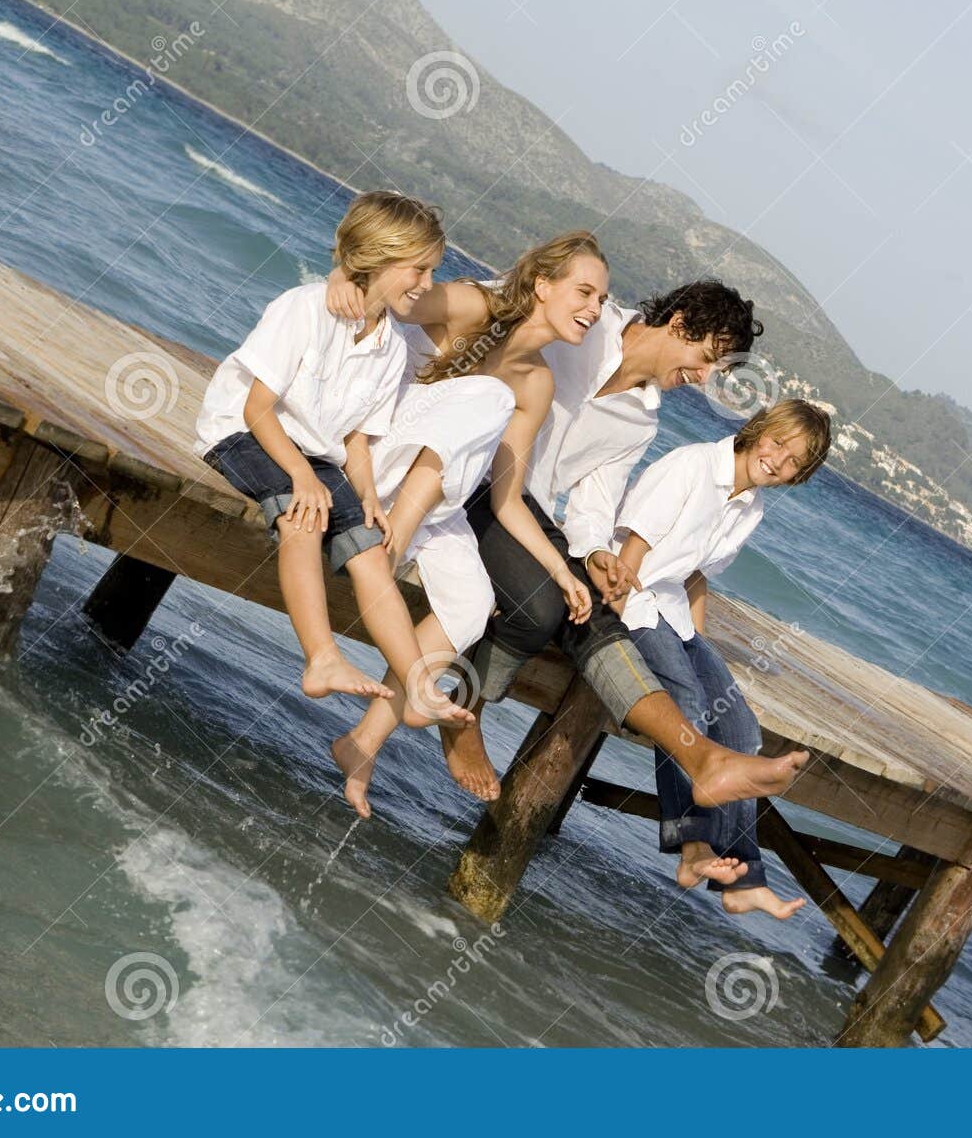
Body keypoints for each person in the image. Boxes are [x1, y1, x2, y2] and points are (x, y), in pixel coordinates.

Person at [437, 278, 809, 806]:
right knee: (541, 607)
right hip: (464, 476)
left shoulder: (642, 419)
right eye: (703, 359)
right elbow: (501, 298)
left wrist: (598, 554)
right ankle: (464, 712)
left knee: (594, 613)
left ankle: (699, 754)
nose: (703, 379)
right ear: (679, 323)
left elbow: (594, 502)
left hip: (527, 513)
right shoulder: (587, 325)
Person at [324, 232, 609, 818]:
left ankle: (360, 745)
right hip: (381, 464)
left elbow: (505, 500)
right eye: (584, 292)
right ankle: (391, 538)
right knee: (488, 398)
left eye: (602, 301)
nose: (594, 309)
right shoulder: (475, 308)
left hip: (440, 502)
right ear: (542, 285)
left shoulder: (538, 382)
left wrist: (562, 570)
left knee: (473, 606)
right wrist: (342, 279)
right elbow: (395, 298)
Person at [194, 190, 471, 729]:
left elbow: (357, 441)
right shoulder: (303, 309)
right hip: (244, 433)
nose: (427, 284)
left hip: (317, 451)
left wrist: (367, 495)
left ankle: (416, 684)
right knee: (304, 516)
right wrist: (300, 475)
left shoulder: (392, 346)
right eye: (418, 269)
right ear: (379, 258)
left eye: (432, 271)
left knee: (368, 549)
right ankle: (321, 657)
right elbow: (257, 408)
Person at [610, 400, 832, 918]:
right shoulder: (693, 466)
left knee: (739, 726)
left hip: (671, 609)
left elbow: (694, 574)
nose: (777, 460)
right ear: (758, 431)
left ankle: (743, 880)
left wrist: (698, 646)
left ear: (800, 475)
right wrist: (612, 616)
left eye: (794, 460)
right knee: (684, 699)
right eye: (777, 442)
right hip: (630, 596)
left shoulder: (749, 506)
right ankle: (692, 851)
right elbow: (633, 545)